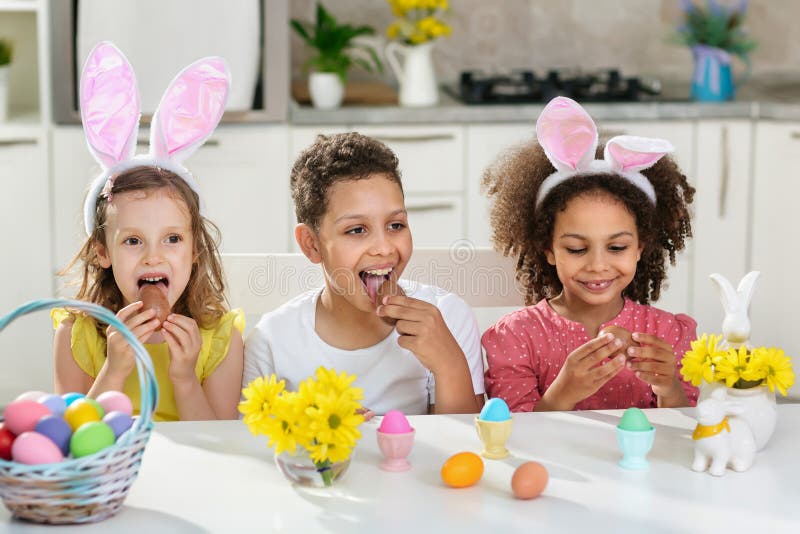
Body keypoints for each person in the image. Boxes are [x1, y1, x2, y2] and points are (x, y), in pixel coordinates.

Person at [52, 42, 243, 421]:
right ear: (102, 252)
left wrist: (184, 376)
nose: (153, 256)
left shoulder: (219, 338)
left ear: (194, 250)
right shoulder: (80, 335)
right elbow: (71, 441)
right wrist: (116, 368)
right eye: (133, 241)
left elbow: (224, 445)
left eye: (172, 239)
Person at [482, 96, 698, 412]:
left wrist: (668, 387)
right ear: (549, 249)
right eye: (577, 249)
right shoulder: (517, 337)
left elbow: (685, 428)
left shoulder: (667, 334)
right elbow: (512, 436)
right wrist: (562, 394)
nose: (598, 265)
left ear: (640, 247)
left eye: (617, 247)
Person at [244, 132, 484, 415]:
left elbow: (465, 448)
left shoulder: (447, 317)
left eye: (396, 225)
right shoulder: (272, 341)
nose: (384, 248)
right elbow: (254, 449)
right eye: (357, 230)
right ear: (312, 244)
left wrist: (449, 364)